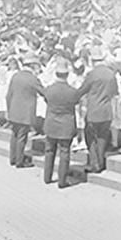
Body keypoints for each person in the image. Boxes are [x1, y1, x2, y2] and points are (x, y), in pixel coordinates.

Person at [76, 47, 119, 173]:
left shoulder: (92, 74)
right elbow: (114, 92)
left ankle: (95, 163)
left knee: (91, 138)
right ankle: (100, 162)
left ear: (93, 60)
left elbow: (83, 90)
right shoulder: (111, 74)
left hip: (93, 110)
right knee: (102, 137)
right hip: (107, 110)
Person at [41, 58, 82, 188]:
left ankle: (47, 177)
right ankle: (62, 181)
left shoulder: (49, 90)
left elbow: (46, 100)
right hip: (66, 125)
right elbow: (76, 102)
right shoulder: (72, 92)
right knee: (64, 152)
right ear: (67, 74)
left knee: (49, 150)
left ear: (56, 74)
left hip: (51, 123)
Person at [5, 54, 44, 168]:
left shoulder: (16, 76)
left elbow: (9, 95)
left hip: (14, 110)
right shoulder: (32, 79)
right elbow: (43, 92)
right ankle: (19, 161)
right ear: (32, 66)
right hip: (26, 112)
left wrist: (9, 109)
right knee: (22, 136)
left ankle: (13, 158)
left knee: (15, 134)